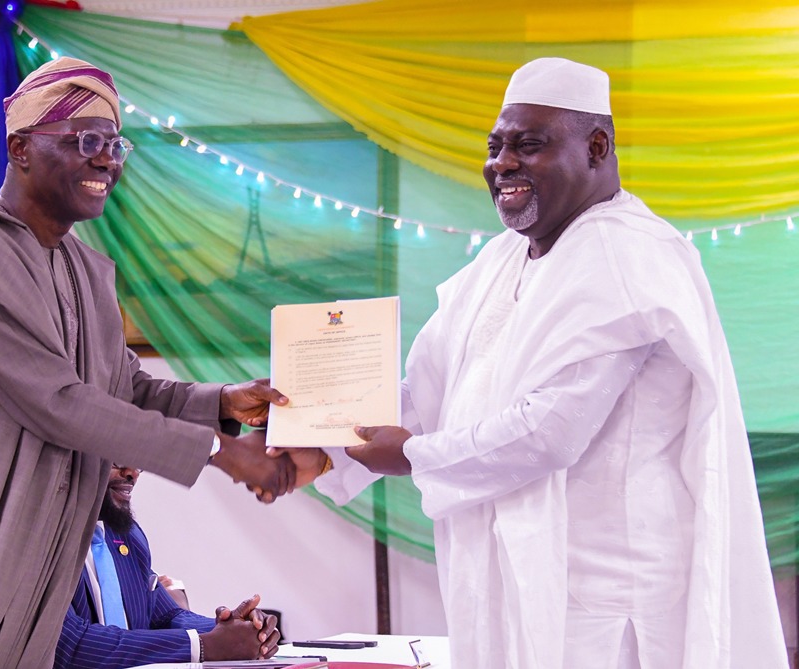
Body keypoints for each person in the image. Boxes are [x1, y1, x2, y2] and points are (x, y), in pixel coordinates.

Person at [278, 58, 788, 667]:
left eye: (528, 145)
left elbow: (550, 431)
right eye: (495, 147)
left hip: (604, 591)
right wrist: (321, 445)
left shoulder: (628, 254)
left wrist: (411, 456)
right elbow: (430, 388)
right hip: (504, 566)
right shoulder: (500, 259)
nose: (502, 164)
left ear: (596, 147)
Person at [0, 56, 296, 669]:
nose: (107, 161)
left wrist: (225, 401)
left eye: (115, 146)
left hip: (41, 553)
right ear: (20, 148)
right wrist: (220, 452)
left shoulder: (81, 268)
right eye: (87, 141)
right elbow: (59, 402)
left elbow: (123, 385)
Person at [55, 465, 279, 668]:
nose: (132, 473)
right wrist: (203, 646)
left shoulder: (128, 536)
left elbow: (166, 617)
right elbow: (69, 644)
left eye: (138, 463)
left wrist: (236, 629)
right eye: (118, 460)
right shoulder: (43, 540)